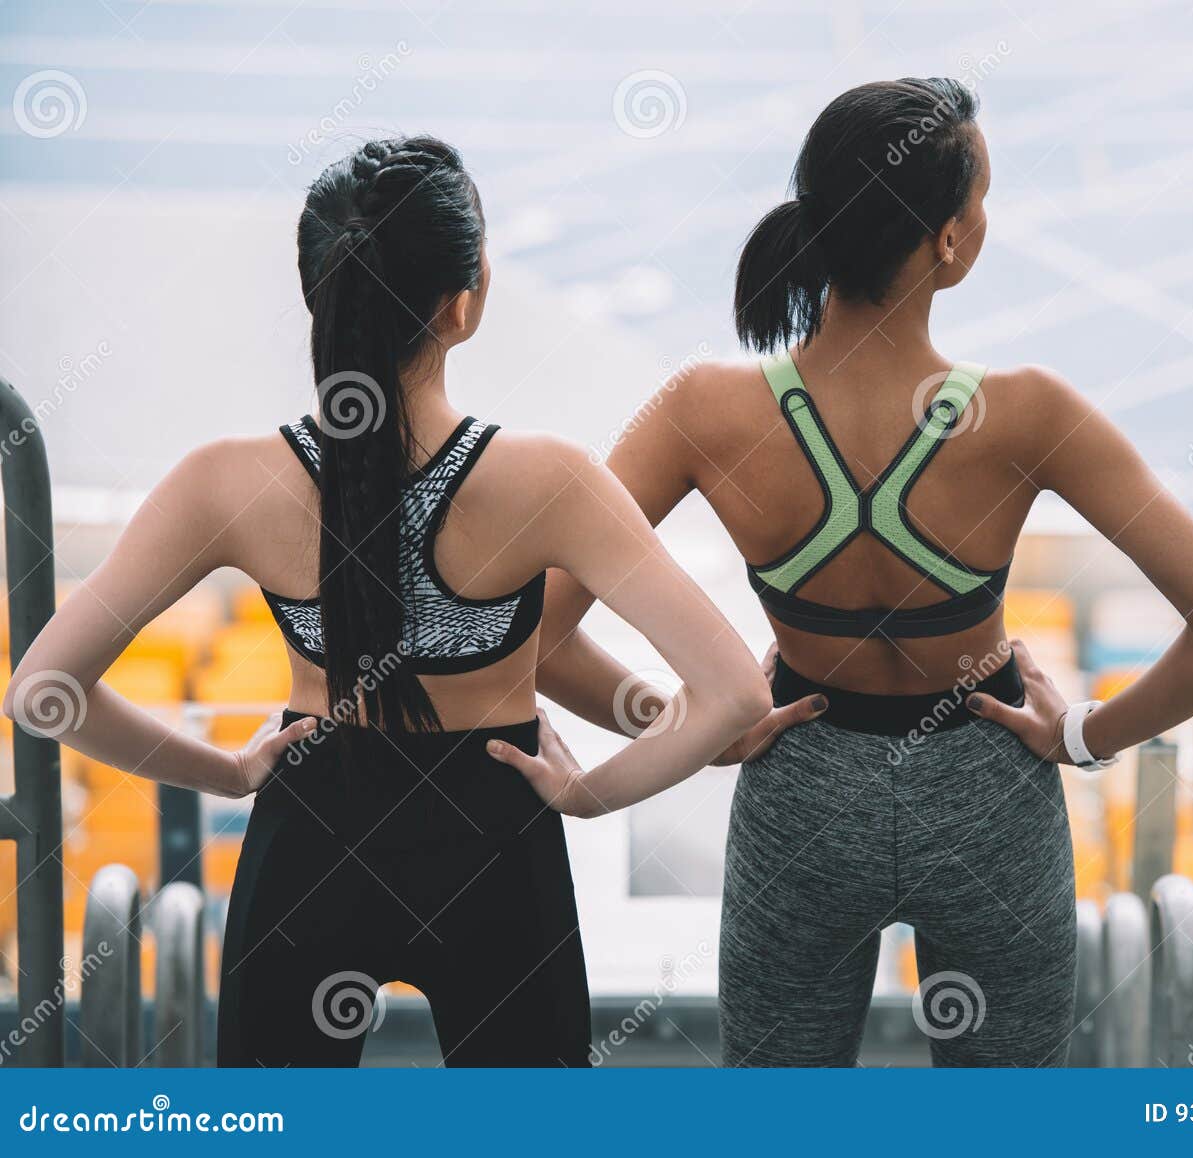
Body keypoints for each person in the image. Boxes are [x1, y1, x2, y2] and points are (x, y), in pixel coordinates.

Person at [506, 79, 1193, 1067]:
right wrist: (1080, 733)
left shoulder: (702, 410)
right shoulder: (1033, 413)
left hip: (802, 790)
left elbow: (527, 636)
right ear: (948, 241)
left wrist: (678, 721)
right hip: (991, 787)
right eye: (980, 197)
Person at [2, 137, 770, 1067]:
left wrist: (229, 772)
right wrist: (591, 793)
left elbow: (45, 689)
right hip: (496, 839)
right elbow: (732, 693)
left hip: (311, 832)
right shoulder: (550, 481)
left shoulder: (222, 482)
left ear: (315, 290)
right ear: (464, 301)